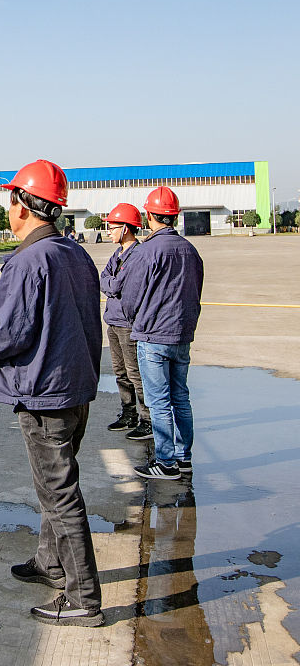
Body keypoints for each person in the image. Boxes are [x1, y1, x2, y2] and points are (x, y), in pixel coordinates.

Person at [0, 159, 104, 627]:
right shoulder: (77, 255)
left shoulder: (28, 260)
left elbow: (11, 333)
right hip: (75, 390)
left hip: (45, 396)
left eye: (10, 199)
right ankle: (51, 563)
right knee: (56, 489)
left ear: (22, 205)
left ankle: (84, 599)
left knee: (60, 496)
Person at [116, 186, 204, 480]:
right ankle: (184, 457)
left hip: (154, 336)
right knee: (181, 398)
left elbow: (129, 297)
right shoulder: (191, 251)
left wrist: (135, 320)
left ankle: (165, 462)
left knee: (158, 401)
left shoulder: (147, 252)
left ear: (149, 215)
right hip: (182, 336)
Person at [98, 203, 151, 438]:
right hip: (113, 321)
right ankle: (128, 413)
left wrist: (112, 284)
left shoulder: (138, 255)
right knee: (120, 372)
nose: (109, 231)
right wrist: (112, 284)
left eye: (113, 226)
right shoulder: (117, 254)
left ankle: (147, 419)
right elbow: (105, 279)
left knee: (135, 373)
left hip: (128, 324)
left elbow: (120, 285)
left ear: (127, 228)